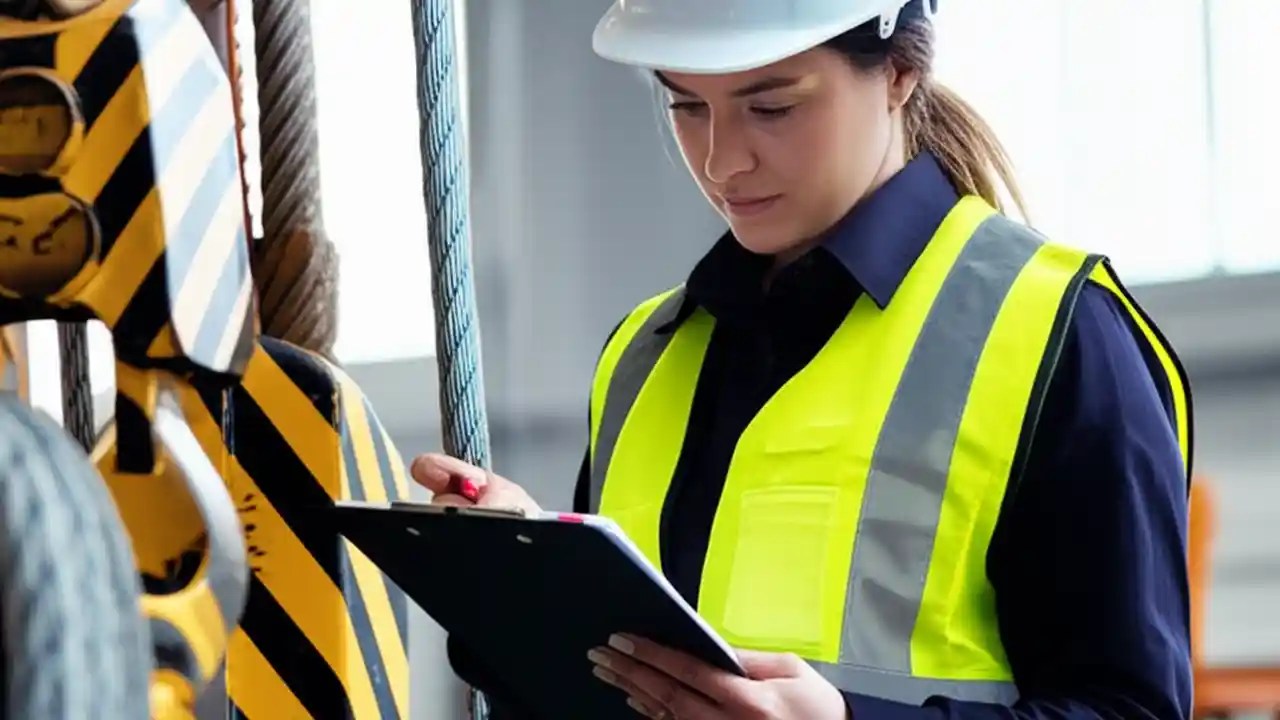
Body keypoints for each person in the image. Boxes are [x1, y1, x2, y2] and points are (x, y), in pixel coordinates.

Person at [411, 0, 1196, 718]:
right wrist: (527, 591)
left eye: (772, 108)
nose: (721, 162)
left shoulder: (1060, 333)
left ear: (899, 72)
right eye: (686, 105)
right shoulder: (644, 355)